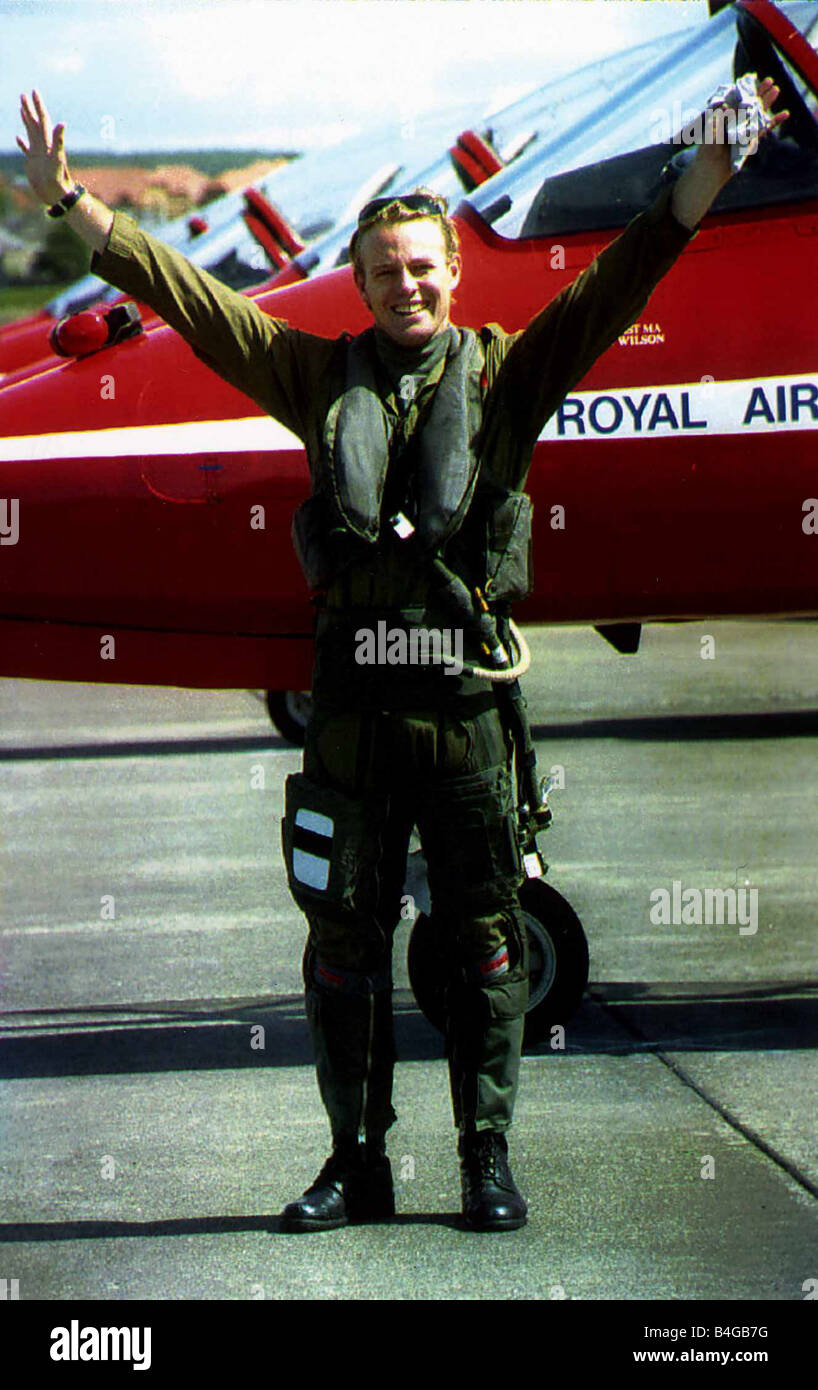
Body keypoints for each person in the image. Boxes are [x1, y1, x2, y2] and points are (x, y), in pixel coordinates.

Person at [18, 79, 786, 1233]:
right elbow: (201, 307)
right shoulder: (321, 381)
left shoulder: (505, 380)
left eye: (422, 267)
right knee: (341, 960)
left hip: (463, 718)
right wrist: (79, 208)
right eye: (384, 272)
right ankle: (352, 1163)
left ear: (451, 273)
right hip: (352, 728)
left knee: (481, 952)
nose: (404, 284)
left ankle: (485, 1160)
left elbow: (614, 281)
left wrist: (708, 173)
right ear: (367, 285)